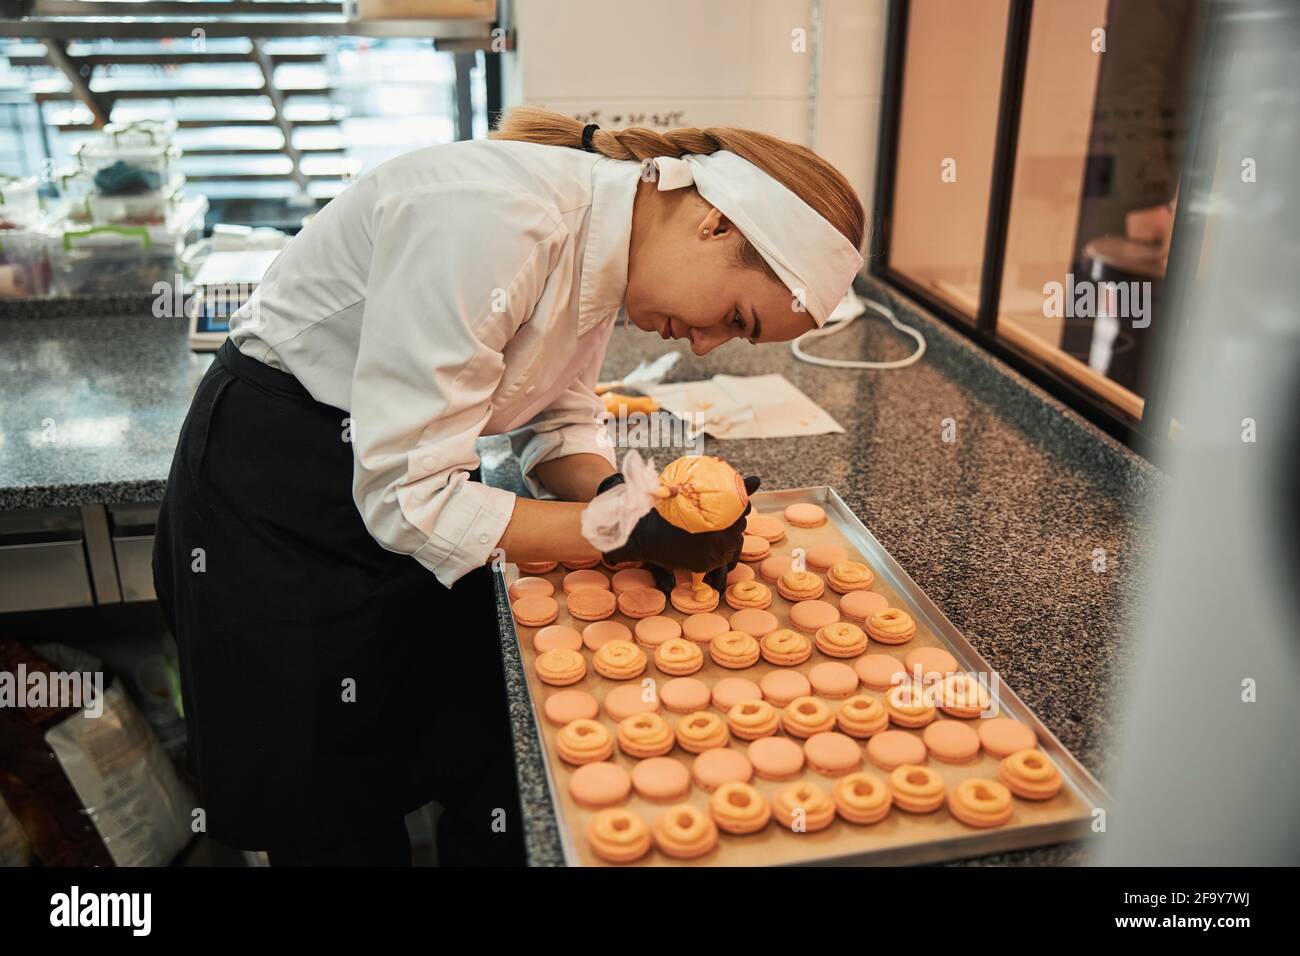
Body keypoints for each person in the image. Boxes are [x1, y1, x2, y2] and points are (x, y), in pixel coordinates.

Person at [151, 107, 864, 866]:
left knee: (467, 742)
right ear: (716, 225)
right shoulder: (495, 224)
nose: (705, 342)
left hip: (401, 474)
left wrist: (636, 500)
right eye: (733, 317)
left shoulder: (609, 239)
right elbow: (408, 501)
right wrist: (618, 531)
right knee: (332, 814)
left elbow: (557, 423)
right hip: (279, 484)